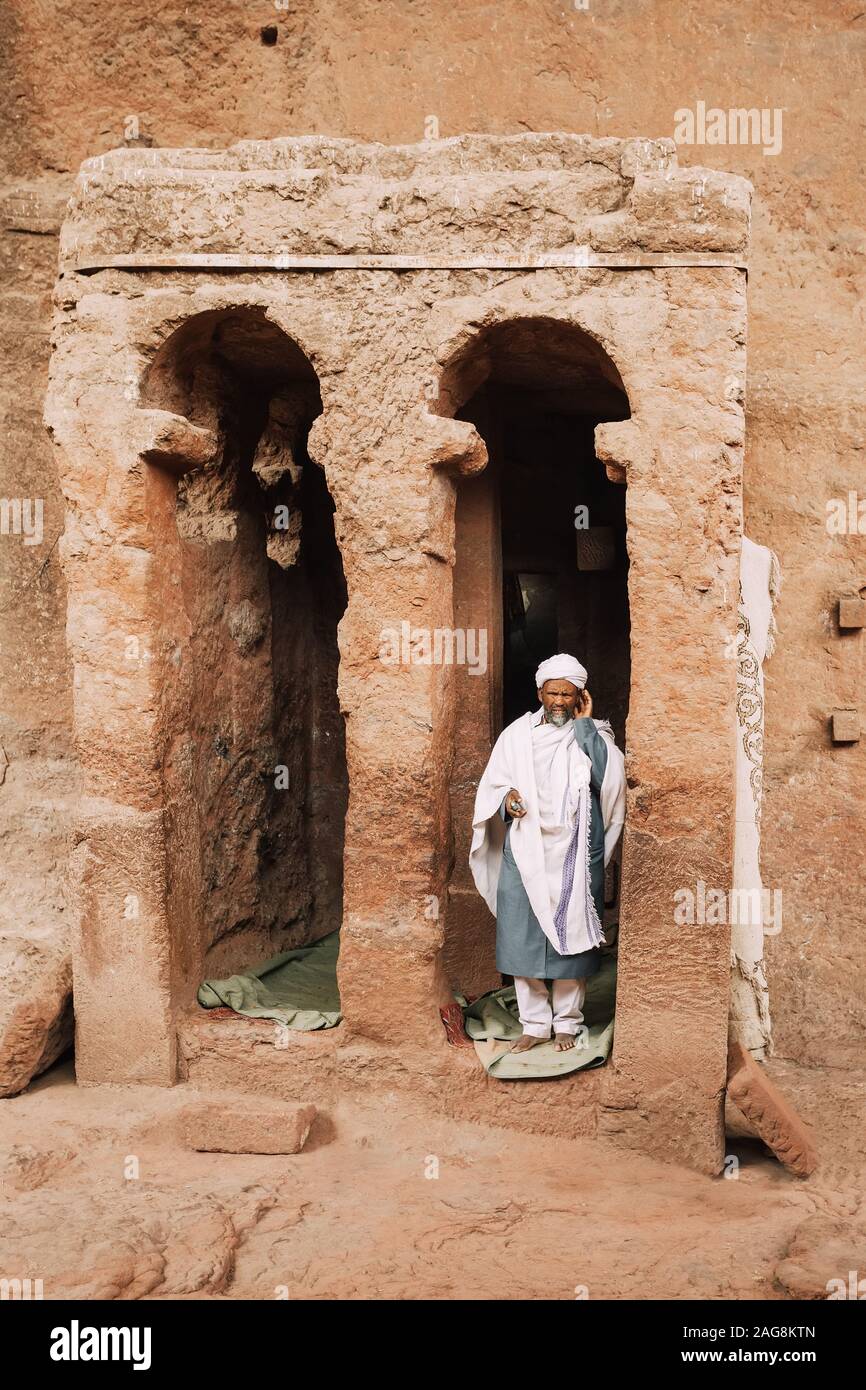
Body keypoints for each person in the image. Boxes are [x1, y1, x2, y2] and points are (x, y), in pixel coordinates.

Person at [469, 653, 626, 1052]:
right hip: (524, 850)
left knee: (572, 940)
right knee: (523, 936)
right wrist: (508, 801)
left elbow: (608, 782)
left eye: (567, 694)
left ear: (580, 696)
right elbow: (492, 786)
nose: (559, 701)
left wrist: (587, 726)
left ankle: (568, 1025)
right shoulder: (516, 736)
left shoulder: (593, 735)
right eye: (553, 692)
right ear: (540, 692)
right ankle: (535, 1025)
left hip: (575, 853)